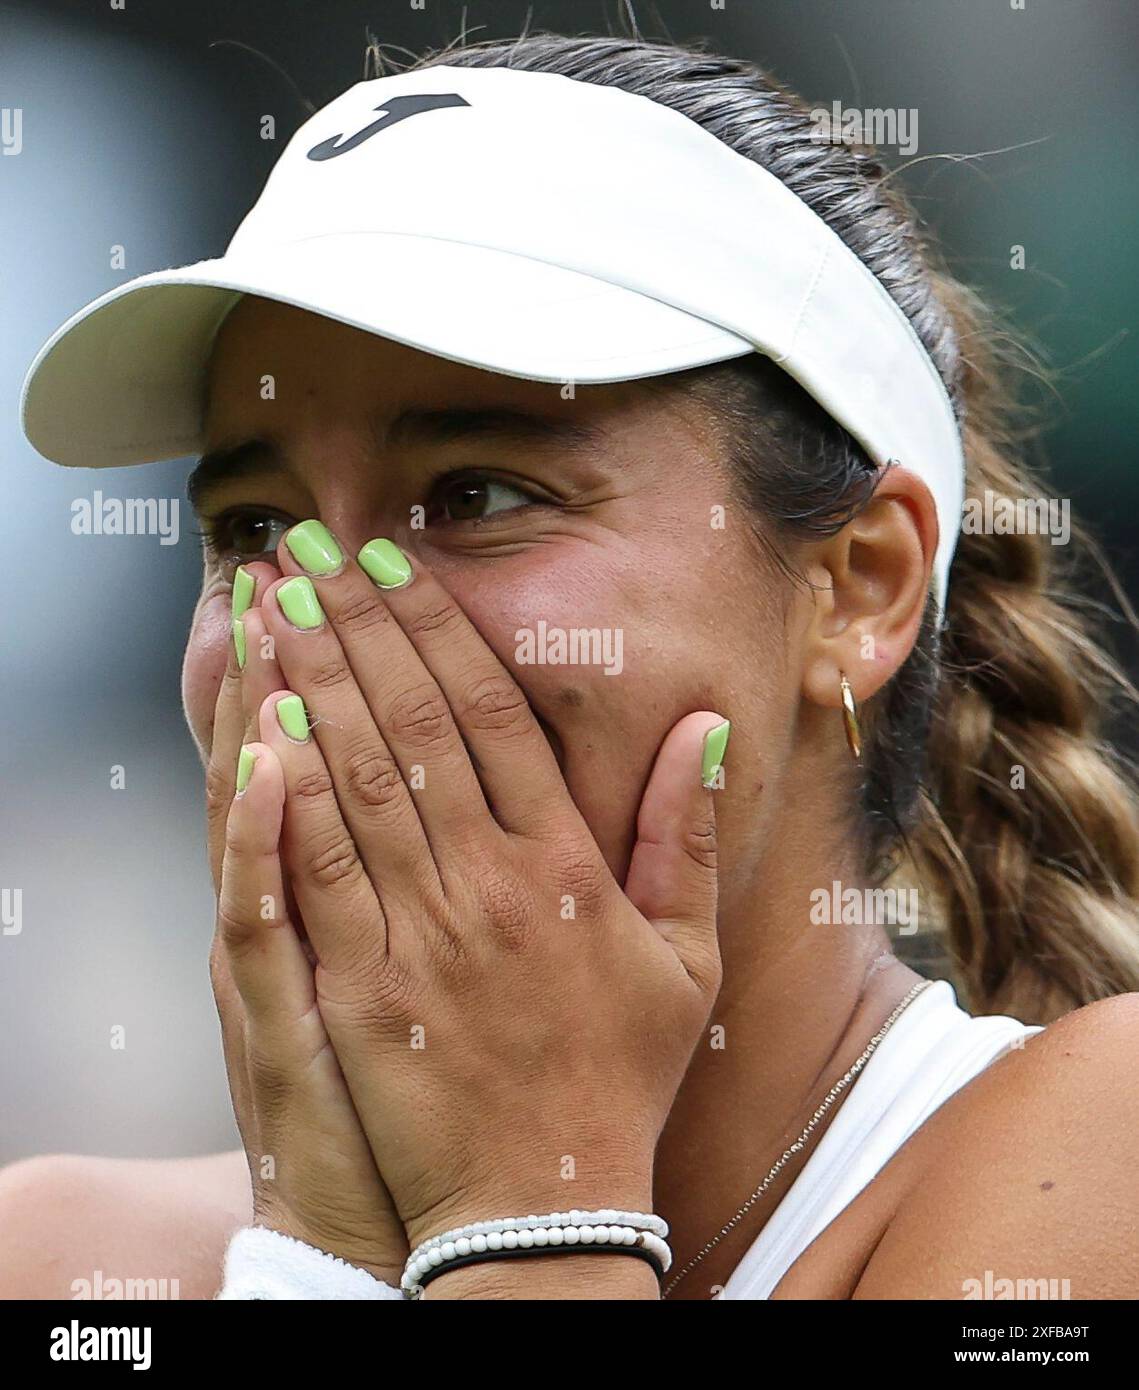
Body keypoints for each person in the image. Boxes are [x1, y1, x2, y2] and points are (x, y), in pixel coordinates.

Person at [6, 33, 1139, 1301]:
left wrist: (527, 1216)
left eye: (477, 491)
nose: (321, 620)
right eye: (255, 528)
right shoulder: (61, 1263)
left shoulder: (1108, 1151)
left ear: (856, 587)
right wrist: (317, 1247)